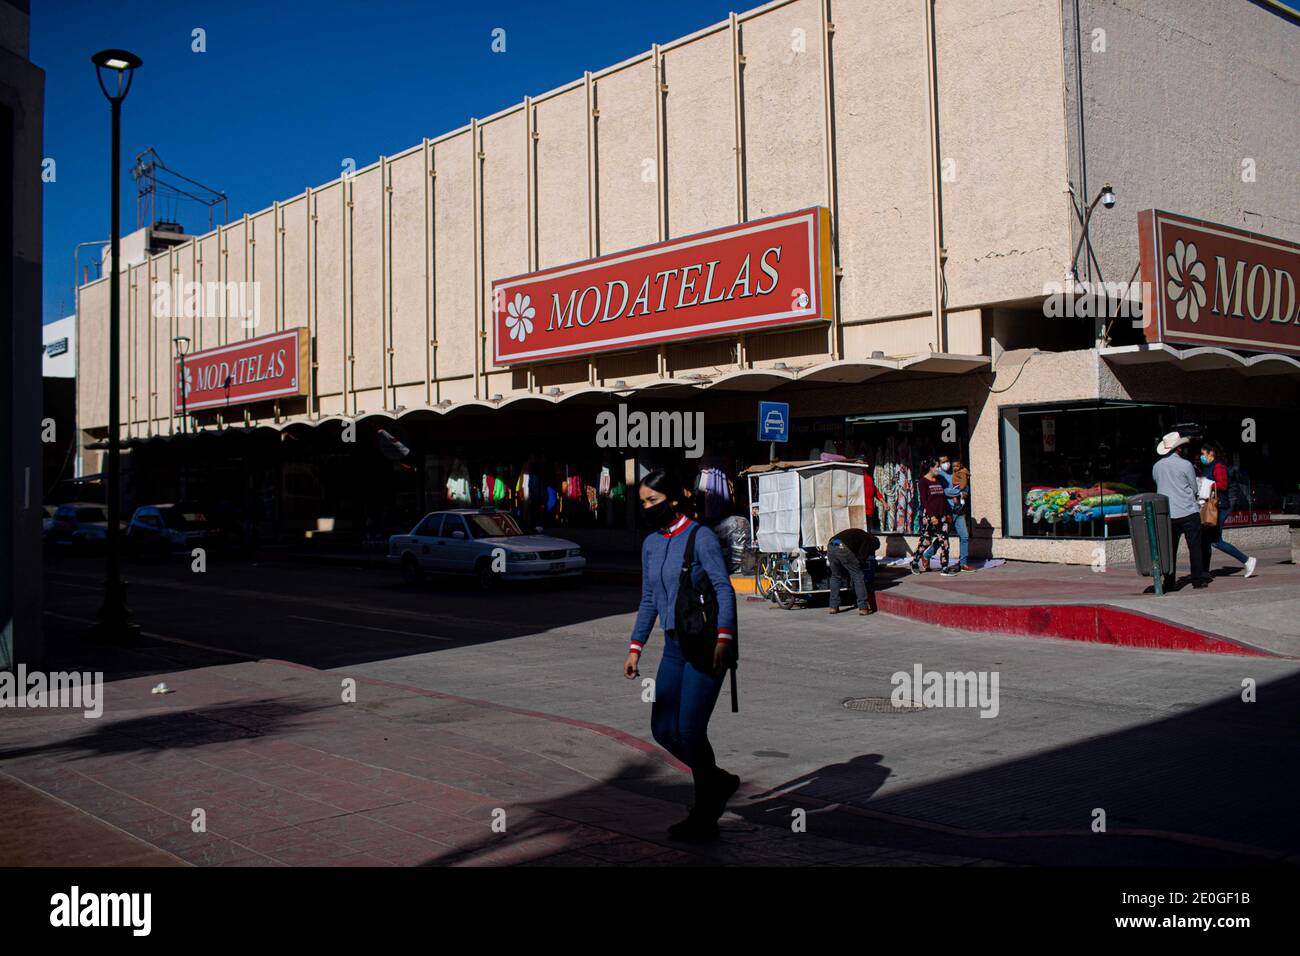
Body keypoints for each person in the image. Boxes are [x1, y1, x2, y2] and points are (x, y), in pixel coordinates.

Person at [624, 469, 739, 842]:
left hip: (707, 645)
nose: (646, 507)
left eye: (652, 501)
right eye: (642, 501)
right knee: (663, 729)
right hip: (673, 647)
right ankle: (717, 780)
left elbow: (724, 589)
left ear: (674, 499)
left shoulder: (701, 536)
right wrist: (635, 647)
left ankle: (705, 811)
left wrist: (725, 637)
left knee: (690, 731)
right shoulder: (651, 544)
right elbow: (648, 599)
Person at [1152, 431, 1208, 590]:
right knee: (1195, 548)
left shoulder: (1157, 466)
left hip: (1168, 513)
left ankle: (1169, 581)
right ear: (1178, 449)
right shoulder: (1186, 465)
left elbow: (1158, 483)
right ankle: (1198, 580)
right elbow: (1194, 487)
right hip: (1188, 511)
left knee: (1169, 549)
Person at [1197, 440, 1257, 579]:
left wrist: (1206, 484)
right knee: (1207, 540)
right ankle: (1205, 571)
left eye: (1203, 453)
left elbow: (1222, 485)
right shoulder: (1210, 467)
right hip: (1213, 506)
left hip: (1219, 507)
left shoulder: (1218, 466)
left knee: (1215, 540)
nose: (1202, 456)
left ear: (1211, 453)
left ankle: (1247, 560)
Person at [911, 458, 954, 575]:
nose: (938, 469)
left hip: (942, 515)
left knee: (944, 542)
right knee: (926, 541)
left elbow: (943, 498)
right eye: (936, 466)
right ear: (930, 468)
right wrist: (932, 516)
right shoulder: (923, 482)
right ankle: (915, 561)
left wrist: (947, 513)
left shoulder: (939, 480)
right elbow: (924, 501)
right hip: (930, 516)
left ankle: (944, 567)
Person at [826, 526, 879, 615]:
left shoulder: (860, 534)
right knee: (858, 575)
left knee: (835, 576)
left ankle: (833, 607)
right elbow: (861, 559)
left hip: (831, 545)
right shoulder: (869, 541)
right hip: (842, 547)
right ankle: (863, 607)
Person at [936, 455, 974, 572]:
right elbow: (945, 491)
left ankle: (963, 563)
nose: (946, 464)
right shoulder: (939, 475)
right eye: (943, 462)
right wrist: (959, 491)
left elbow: (965, 486)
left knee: (964, 536)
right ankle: (926, 556)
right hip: (947, 511)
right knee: (943, 538)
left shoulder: (956, 472)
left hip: (958, 510)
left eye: (947, 461)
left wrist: (965, 491)